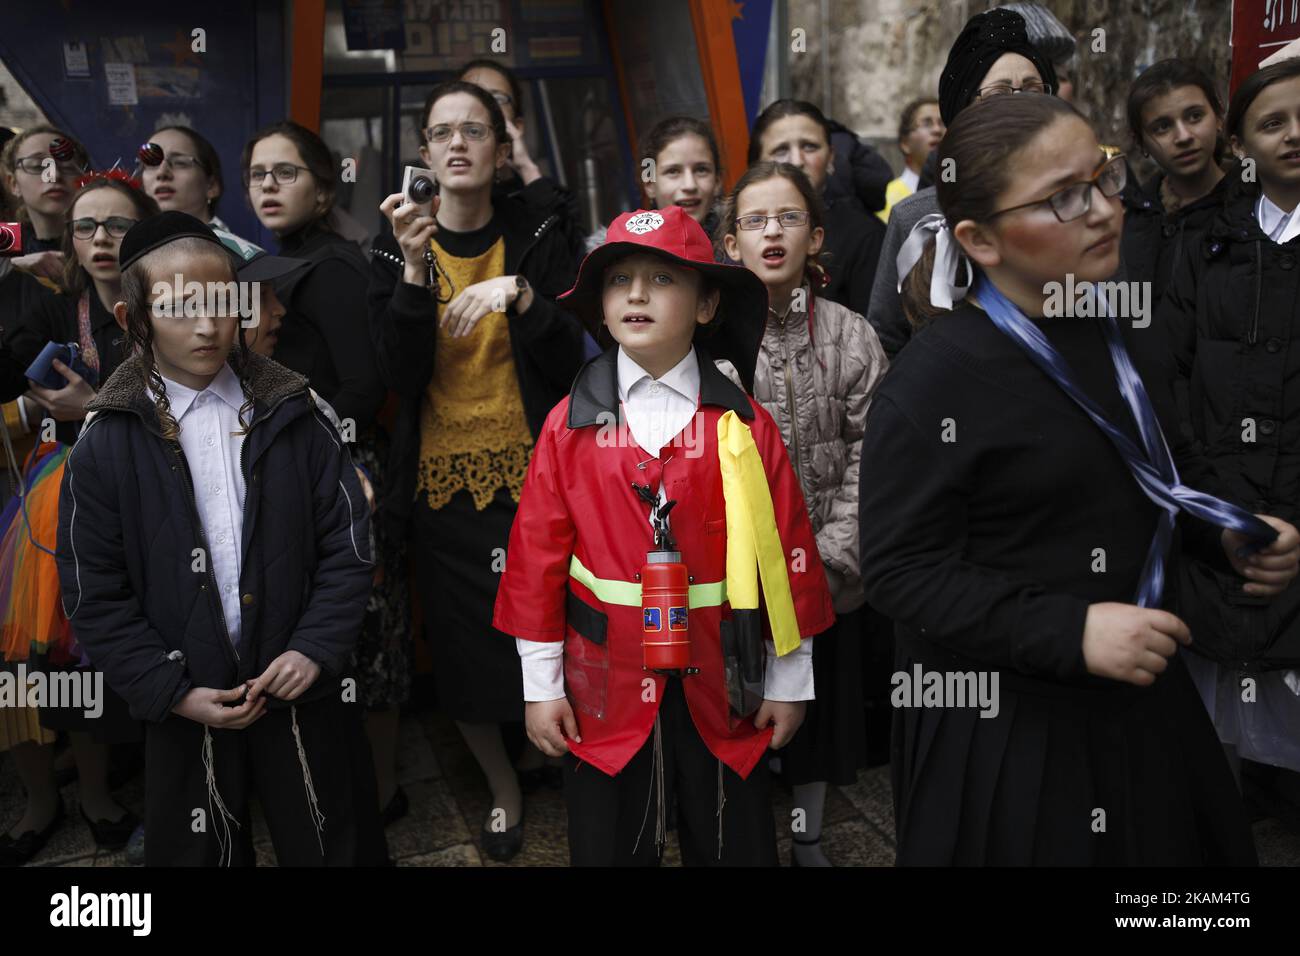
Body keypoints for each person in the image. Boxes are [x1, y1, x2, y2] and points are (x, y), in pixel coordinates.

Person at [861, 92, 1299, 865]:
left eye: (1102, 176)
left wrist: (1222, 530)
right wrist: (1073, 631)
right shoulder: (934, 381)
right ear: (979, 239)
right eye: (1064, 196)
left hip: (1143, 699)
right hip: (1009, 734)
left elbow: (1166, 466)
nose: (1104, 208)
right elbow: (903, 572)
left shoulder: (1125, 323)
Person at [493, 204, 835, 866]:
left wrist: (791, 677)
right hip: (603, 684)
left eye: (662, 279)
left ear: (708, 304)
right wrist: (541, 686)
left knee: (735, 840)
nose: (638, 294)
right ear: (600, 305)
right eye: (620, 281)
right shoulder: (569, 426)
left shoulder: (743, 424)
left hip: (723, 676)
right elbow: (534, 561)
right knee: (609, 842)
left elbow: (787, 556)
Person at [54, 211, 385, 866]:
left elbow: (348, 543)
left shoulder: (296, 409)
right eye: (179, 308)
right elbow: (94, 590)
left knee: (330, 837)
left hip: (299, 685)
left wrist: (314, 648)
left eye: (220, 302)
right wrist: (169, 688)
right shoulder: (106, 441)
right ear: (132, 319)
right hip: (187, 697)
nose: (206, 326)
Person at [368, 79, 587, 860]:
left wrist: (522, 294)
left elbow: (571, 362)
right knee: (464, 646)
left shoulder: (539, 235)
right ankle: (500, 784)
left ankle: (544, 747)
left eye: (475, 130)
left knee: (548, 631)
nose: (458, 142)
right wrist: (412, 267)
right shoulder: (390, 245)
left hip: (538, 477)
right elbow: (397, 374)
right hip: (440, 484)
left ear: (501, 150)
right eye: (441, 133)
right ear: (424, 154)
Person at [719, 162, 888, 865]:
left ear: (815, 235)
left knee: (816, 717)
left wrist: (830, 553)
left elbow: (871, 455)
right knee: (742, 706)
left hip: (829, 568)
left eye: (788, 218)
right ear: (732, 244)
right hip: (739, 576)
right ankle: (745, 837)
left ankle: (809, 836)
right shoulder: (712, 345)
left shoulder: (852, 335)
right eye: (755, 221)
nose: (772, 232)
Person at [243, 120, 410, 825]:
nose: (269, 187)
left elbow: (364, 385)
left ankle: (380, 793)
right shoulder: (269, 260)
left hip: (347, 467)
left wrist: (312, 452)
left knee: (366, 638)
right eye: (258, 175)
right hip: (296, 465)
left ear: (322, 188)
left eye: (287, 173)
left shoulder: (337, 266)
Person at [0, 172, 157, 866]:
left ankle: (96, 794)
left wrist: (93, 408)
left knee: (95, 652)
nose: (100, 239)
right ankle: (40, 800)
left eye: (117, 225)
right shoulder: (48, 309)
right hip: (51, 498)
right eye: (86, 226)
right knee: (31, 658)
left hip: (141, 496)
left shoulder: (171, 305)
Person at [1159, 57, 1300, 775]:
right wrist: (1216, 515)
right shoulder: (1200, 242)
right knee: (1215, 765)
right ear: (1240, 143)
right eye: (1273, 123)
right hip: (1220, 521)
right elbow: (1171, 382)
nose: (1293, 135)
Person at [867, 7, 1058, 358]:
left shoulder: (1082, 208)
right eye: (998, 93)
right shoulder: (918, 220)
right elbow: (885, 344)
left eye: (1033, 90)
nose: (1018, 107)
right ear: (964, 113)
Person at [749, 99, 884, 320]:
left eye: (809, 147)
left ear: (831, 158)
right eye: (781, 150)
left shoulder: (865, 235)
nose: (797, 160)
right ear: (757, 163)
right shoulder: (736, 228)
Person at [1121, 59, 1232, 308]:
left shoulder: (1258, 207)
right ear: (1141, 143)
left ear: (1219, 117)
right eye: (1162, 127)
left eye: (1195, 116)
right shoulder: (1129, 220)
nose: (1183, 137)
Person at [458, 59, 586, 265]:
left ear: (517, 124)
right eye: (472, 95)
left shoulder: (547, 195)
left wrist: (527, 168)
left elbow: (573, 258)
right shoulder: (436, 198)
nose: (485, 106)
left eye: (497, 98)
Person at [586, 116, 723, 254]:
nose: (690, 185)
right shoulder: (618, 258)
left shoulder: (740, 245)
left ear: (717, 181)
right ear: (650, 184)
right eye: (673, 171)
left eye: (701, 170)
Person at [139, 125, 261, 257]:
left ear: (211, 186)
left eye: (180, 162)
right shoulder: (129, 254)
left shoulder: (246, 258)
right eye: (151, 162)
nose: (162, 172)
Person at [0, 126, 89, 286]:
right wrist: (15, 268)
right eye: (37, 166)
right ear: (13, 183)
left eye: (67, 165)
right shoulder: (9, 234)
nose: (53, 175)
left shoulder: (109, 235)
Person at [879, 98, 944, 224]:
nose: (937, 130)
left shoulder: (957, 188)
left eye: (942, 123)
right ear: (905, 143)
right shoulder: (887, 197)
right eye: (927, 123)